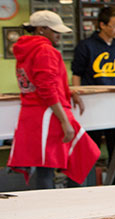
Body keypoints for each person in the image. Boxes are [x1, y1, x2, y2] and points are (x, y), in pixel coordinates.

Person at [8, 10, 101, 189]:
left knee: (47, 164)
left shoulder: (25, 49)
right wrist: (64, 121)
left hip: (32, 113)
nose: (59, 35)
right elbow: (46, 88)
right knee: (74, 157)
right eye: (55, 31)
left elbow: (42, 82)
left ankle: (60, 201)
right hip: (49, 113)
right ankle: (68, 201)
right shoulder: (45, 50)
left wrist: (68, 92)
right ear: (41, 29)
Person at [71, 6, 115, 185]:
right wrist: (77, 94)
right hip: (92, 104)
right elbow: (76, 74)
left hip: (113, 104)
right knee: (90, 148)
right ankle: (85, 186)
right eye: (114, 26)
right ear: (102, 25)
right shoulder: (86, 46)